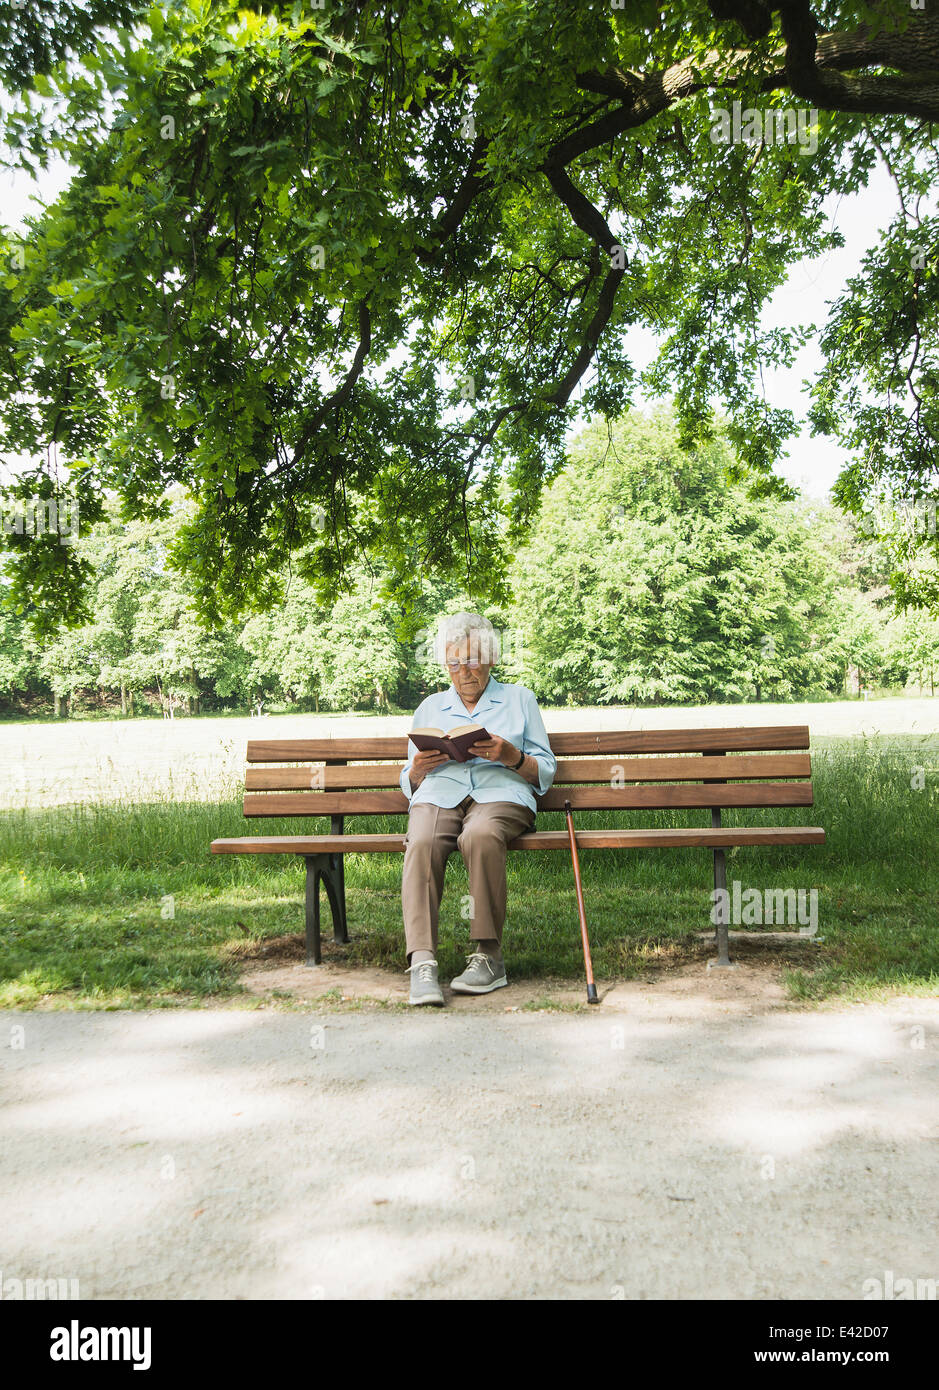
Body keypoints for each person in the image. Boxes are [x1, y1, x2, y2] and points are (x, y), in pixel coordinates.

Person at [400, 613, 557, 1006]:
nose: (463, 672)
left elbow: (546, 771)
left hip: (500, 793)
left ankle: (488, 955)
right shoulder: (430, 707)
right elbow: (410, 779)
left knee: (481, 834)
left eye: (471, 661)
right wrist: (417, 770)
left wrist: (512, 756)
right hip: (441, 792)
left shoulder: (521, 700)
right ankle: (422, 961)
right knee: (421, 840)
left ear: (490, 659)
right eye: (454, 663)